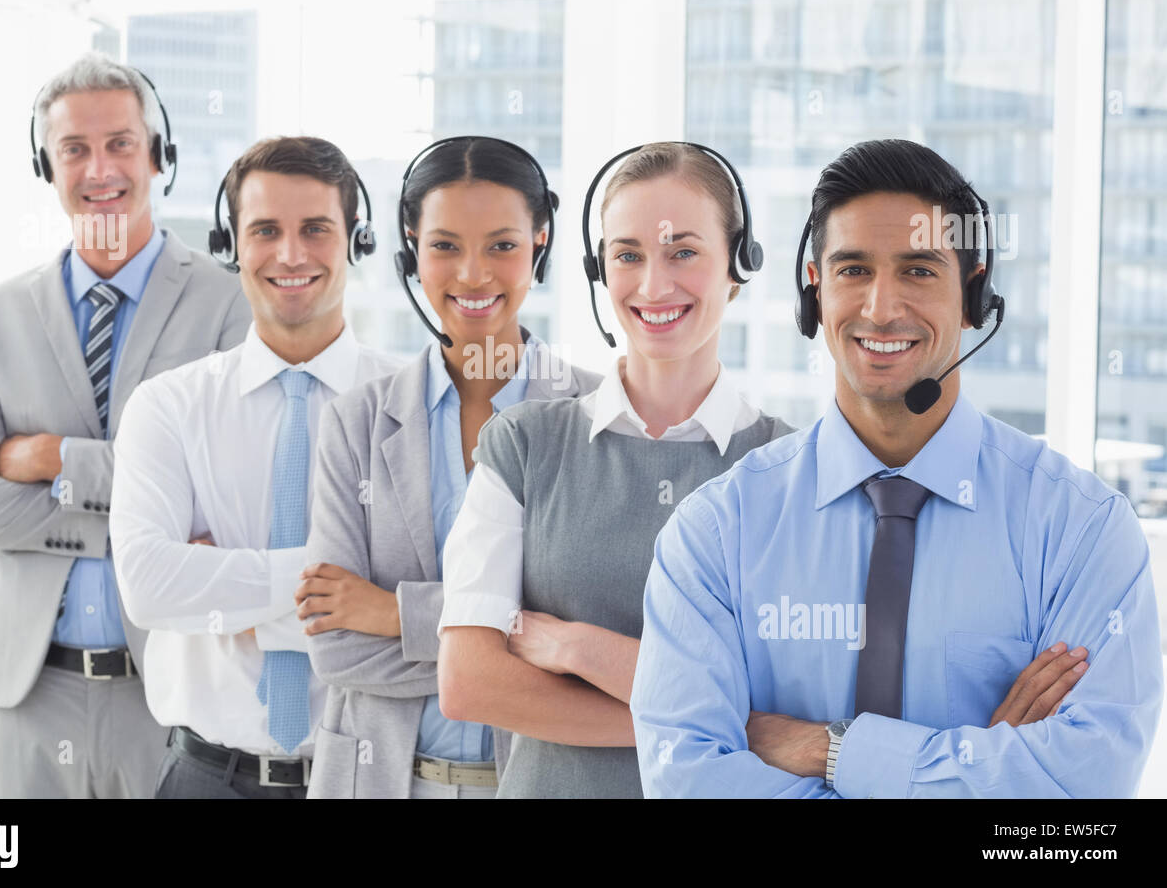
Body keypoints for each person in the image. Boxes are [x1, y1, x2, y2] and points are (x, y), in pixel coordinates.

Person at [631, 138, 1164, 798]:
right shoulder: (714, 533)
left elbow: (1084, 792)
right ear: (813, 293)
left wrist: (827, 749)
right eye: (854, 270)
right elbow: (686, 781)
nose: (882, 308)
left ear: (972, 297)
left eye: (918, 271)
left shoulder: (1082, 531)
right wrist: (981, 765)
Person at [0, 51, 251, 798]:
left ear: (158, 156)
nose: (98, 168)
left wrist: (52, 457)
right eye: (74, 148)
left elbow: (224, 503)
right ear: (47, 166)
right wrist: (149, 523)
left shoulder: (228, 306)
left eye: (119, 144)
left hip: (168, 701)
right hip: (21, 699)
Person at [435, 142, 792, 798]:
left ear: (737, 267)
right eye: (627, 255)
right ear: (601, 270)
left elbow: (798, 705)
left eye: (684, 252)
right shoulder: (524, 445)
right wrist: (715, 718)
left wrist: (580, 652)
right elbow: (468, 682)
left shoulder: (788, 471)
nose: (654, 285)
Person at [300, 136, 600, 799]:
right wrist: (521, 636)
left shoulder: (600, 420)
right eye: (444, 246)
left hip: (540, 782)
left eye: (501, 245)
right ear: (410, 250)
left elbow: (604, 645)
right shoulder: (356, 422)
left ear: (540, 245)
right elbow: (336, 647)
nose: (472, 274)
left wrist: (395, 613)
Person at [109, 136, 400, 798]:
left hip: (362, 779)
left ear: (356, 240)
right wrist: (350, 586)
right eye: (266, 230)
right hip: (205, 777)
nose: (290, 255)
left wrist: (220, 587)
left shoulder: (410, 406)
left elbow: (433, 600)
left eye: (316, 230)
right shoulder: (167, 406)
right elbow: (151, 587)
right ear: (230, 243)